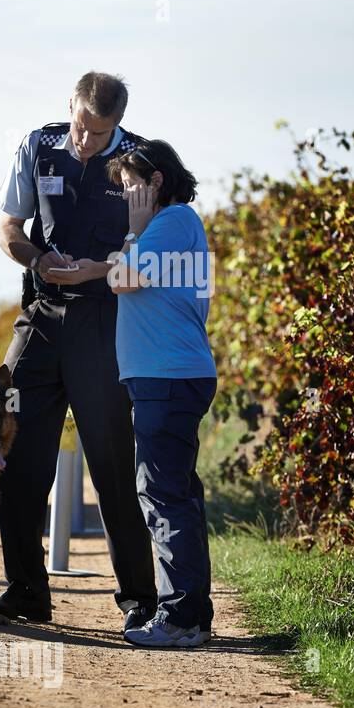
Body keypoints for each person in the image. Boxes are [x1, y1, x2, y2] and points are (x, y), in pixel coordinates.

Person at [0, 71, 157, 629]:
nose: (86, 141)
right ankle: (25, 592)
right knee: (13, 458)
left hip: (105, 326)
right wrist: (37, 260)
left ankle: (140, 601)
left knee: (112, 467)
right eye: (81, 127)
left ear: (119, 125)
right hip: (39, 318)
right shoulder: (37, 145)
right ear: (71, 107)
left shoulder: (139, 161)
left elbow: (154, 253)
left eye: (99, 133)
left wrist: (100, 269)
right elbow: (9, 225)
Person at [104, 140, 217, 647]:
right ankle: (192, 614)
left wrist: (131, 231)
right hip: (169, 376)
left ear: (155, 182)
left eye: (131, 186)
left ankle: (179, 620)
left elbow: (121, 279)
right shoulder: (177, 227)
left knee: (163, 496)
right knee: (178, 495)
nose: (126, 196)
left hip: (167, 378)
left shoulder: (170, 222)